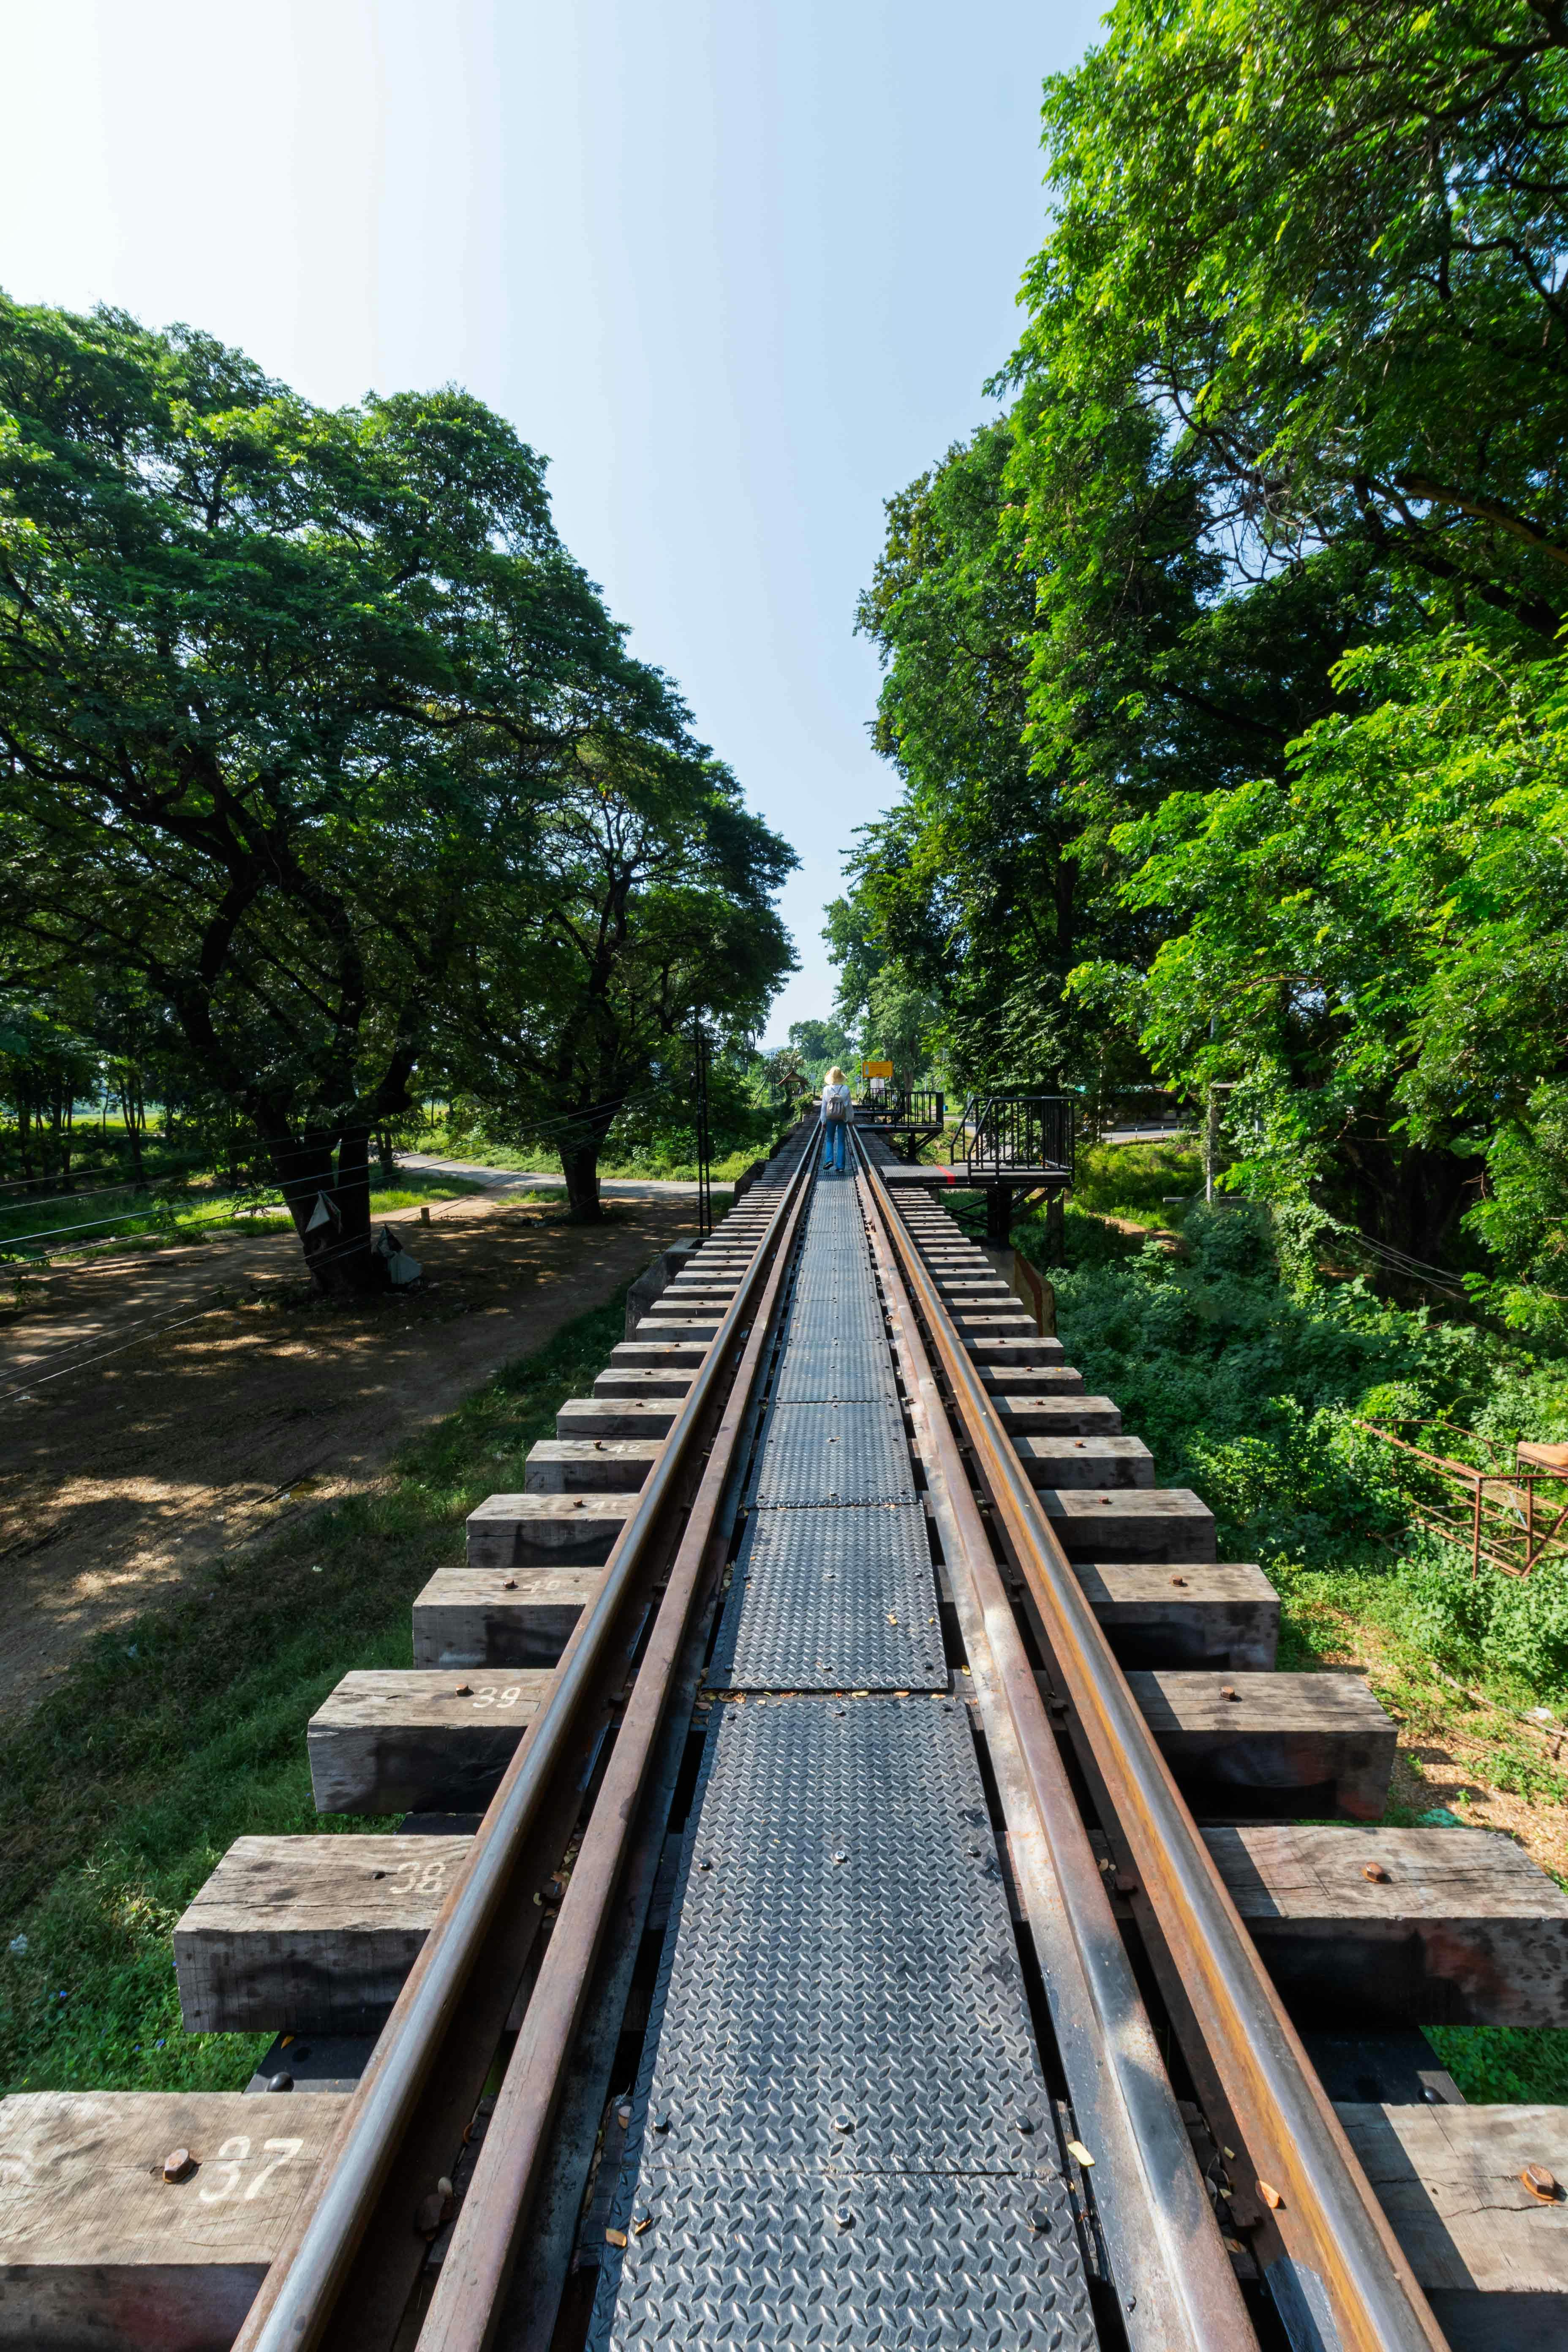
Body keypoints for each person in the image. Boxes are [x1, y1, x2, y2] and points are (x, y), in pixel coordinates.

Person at [818, 1064, 851, 1173]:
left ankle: (829, 1160)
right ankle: (841, 1167)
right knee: (841, 1141)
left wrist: (823, 1121)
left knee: (830, 1140)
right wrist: (850, 1119)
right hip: (843, 1118)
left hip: (830, 1118)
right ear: (841, 1077)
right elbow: (849, 1106)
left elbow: (824, 1107)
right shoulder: (846, 1089)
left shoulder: (826, 1089)